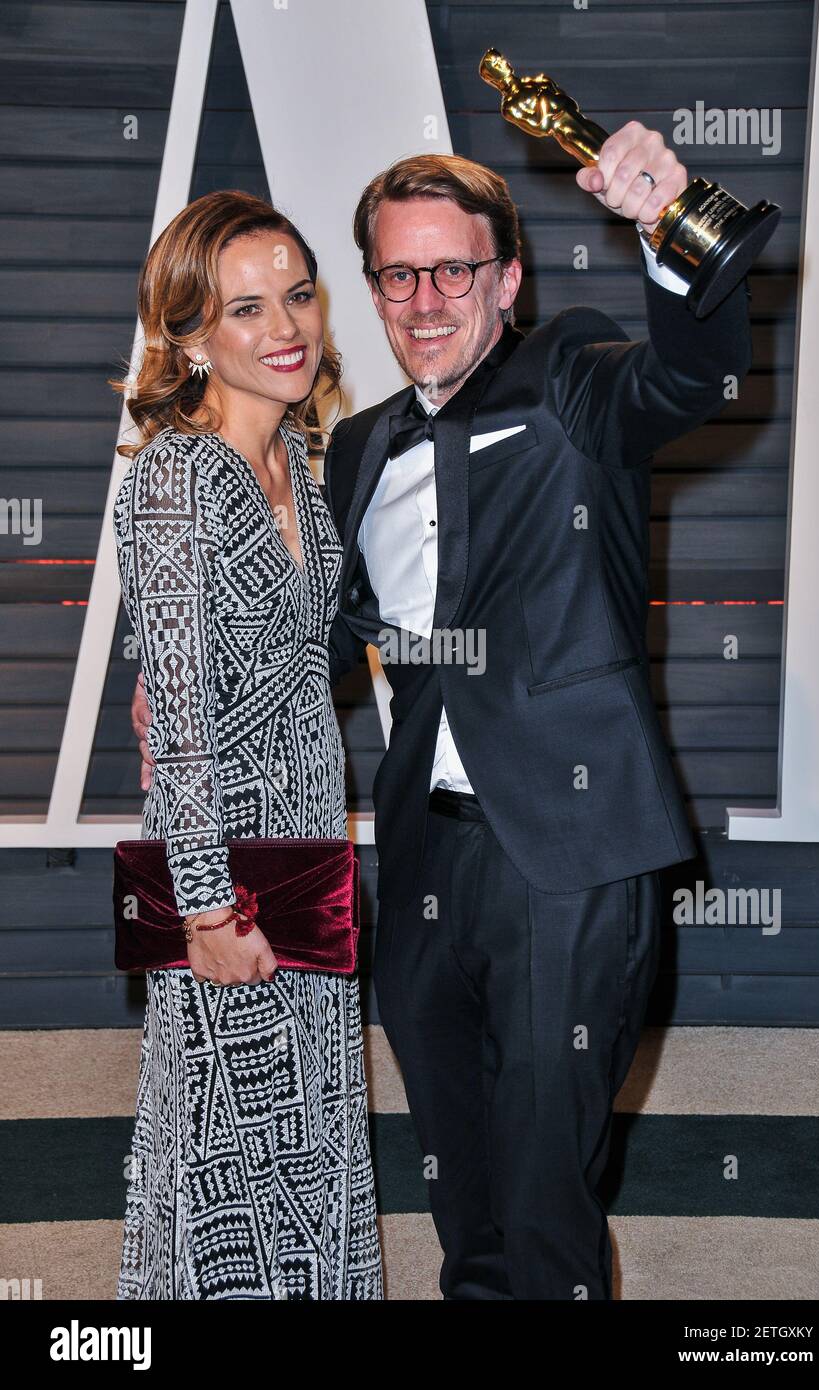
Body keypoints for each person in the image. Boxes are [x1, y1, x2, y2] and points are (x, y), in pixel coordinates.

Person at [134, 127, 752, 1301]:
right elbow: (312, 632)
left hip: (566, 854)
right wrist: (180, 674)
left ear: (506, 279)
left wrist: (676, 232)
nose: (424, 301)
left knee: (542, 1187)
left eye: (453, 270)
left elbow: (687, 379)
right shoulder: (353, 446)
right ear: (369, 289)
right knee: (458, 1184)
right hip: (418, 848)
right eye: (395, 275)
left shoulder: (571, 374)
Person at [113, 189, 382, 1300]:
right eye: (245, 308)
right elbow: (179, 726)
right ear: (188, 336)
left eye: (300, 294)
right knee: (224, 1144)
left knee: (315, 1120)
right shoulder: (178, 477)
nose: (287, 327)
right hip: (229, 865)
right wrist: (206, 912)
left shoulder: (299, 471)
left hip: (310, 837)